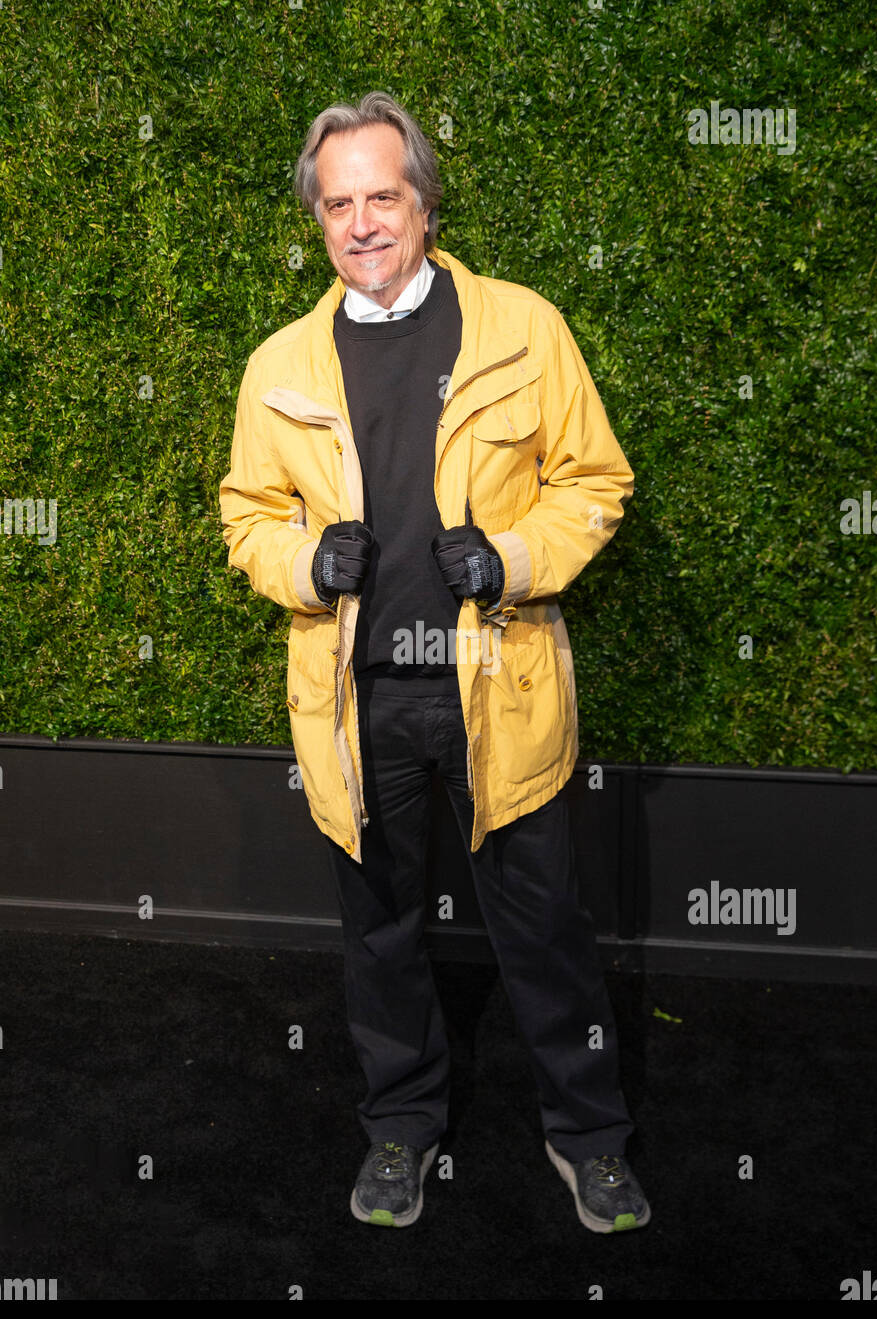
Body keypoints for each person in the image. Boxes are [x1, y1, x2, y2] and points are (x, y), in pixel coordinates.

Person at [219, 91, 650, 1235]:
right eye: (339, 203)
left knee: (547, 930)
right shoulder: (278, 366)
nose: (362, 222)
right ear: (319, 219)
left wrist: (509, 559)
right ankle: (401, 1128)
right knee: (382, 938)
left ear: (423, 202)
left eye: (383, 196)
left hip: (500, 694)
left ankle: (590, 1138)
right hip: (358, 711)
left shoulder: (522, 326)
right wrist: (309, 559)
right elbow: (245, 515)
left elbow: (595, 484)